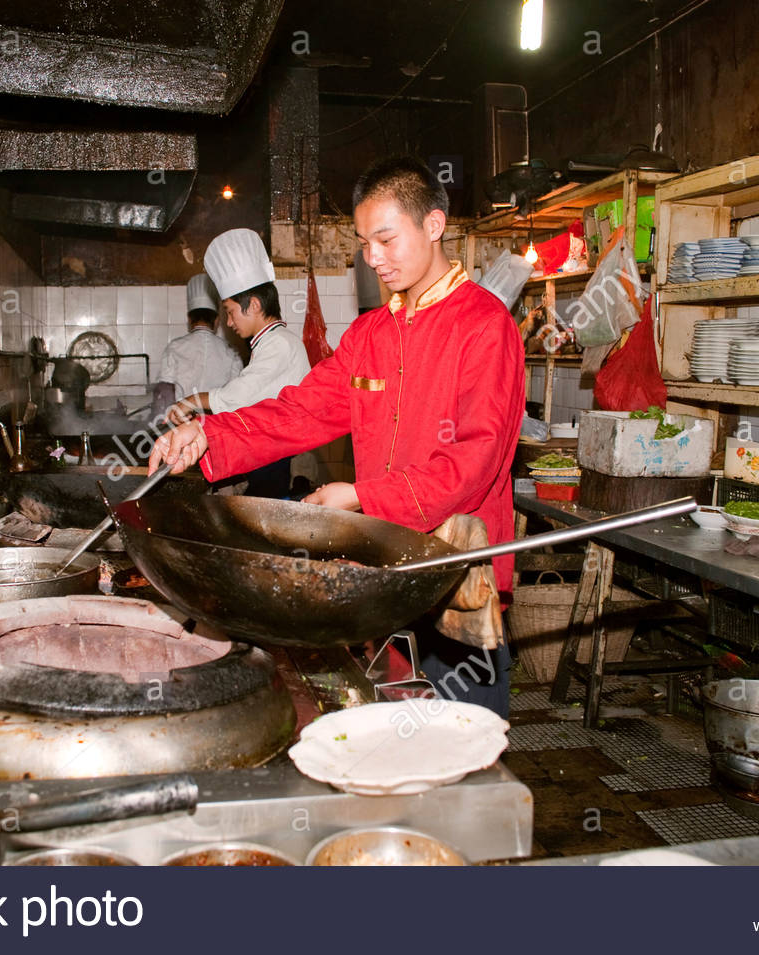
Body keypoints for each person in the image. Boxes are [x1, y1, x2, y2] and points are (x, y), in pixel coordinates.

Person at [148, 157, 525, 715]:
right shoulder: (371, 334)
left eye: (385, 239)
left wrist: (362, 497)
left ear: (434, 225)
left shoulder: (485, 326)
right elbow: (300, 411)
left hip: (454, 576)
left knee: (463, 749)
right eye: (364, 241)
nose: (371, 257)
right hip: (382, 573)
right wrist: (210, 434)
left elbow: (473, 463)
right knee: (391, 728)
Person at [168, 229, 310, 498]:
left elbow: (241, 396)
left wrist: (192, 400)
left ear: (254, 305)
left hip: (281, 460)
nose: (230, 323)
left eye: (231, 312)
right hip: (272, 455)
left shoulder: (280, 344)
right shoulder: (269, 344)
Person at [151, 273, 242, 420]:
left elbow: (164, 393)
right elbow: (236, 397)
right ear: (217, 320)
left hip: (182, 424)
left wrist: (160, 422)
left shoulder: (175, 347)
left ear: (189, 319)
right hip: (217, 425)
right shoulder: (231, 353)